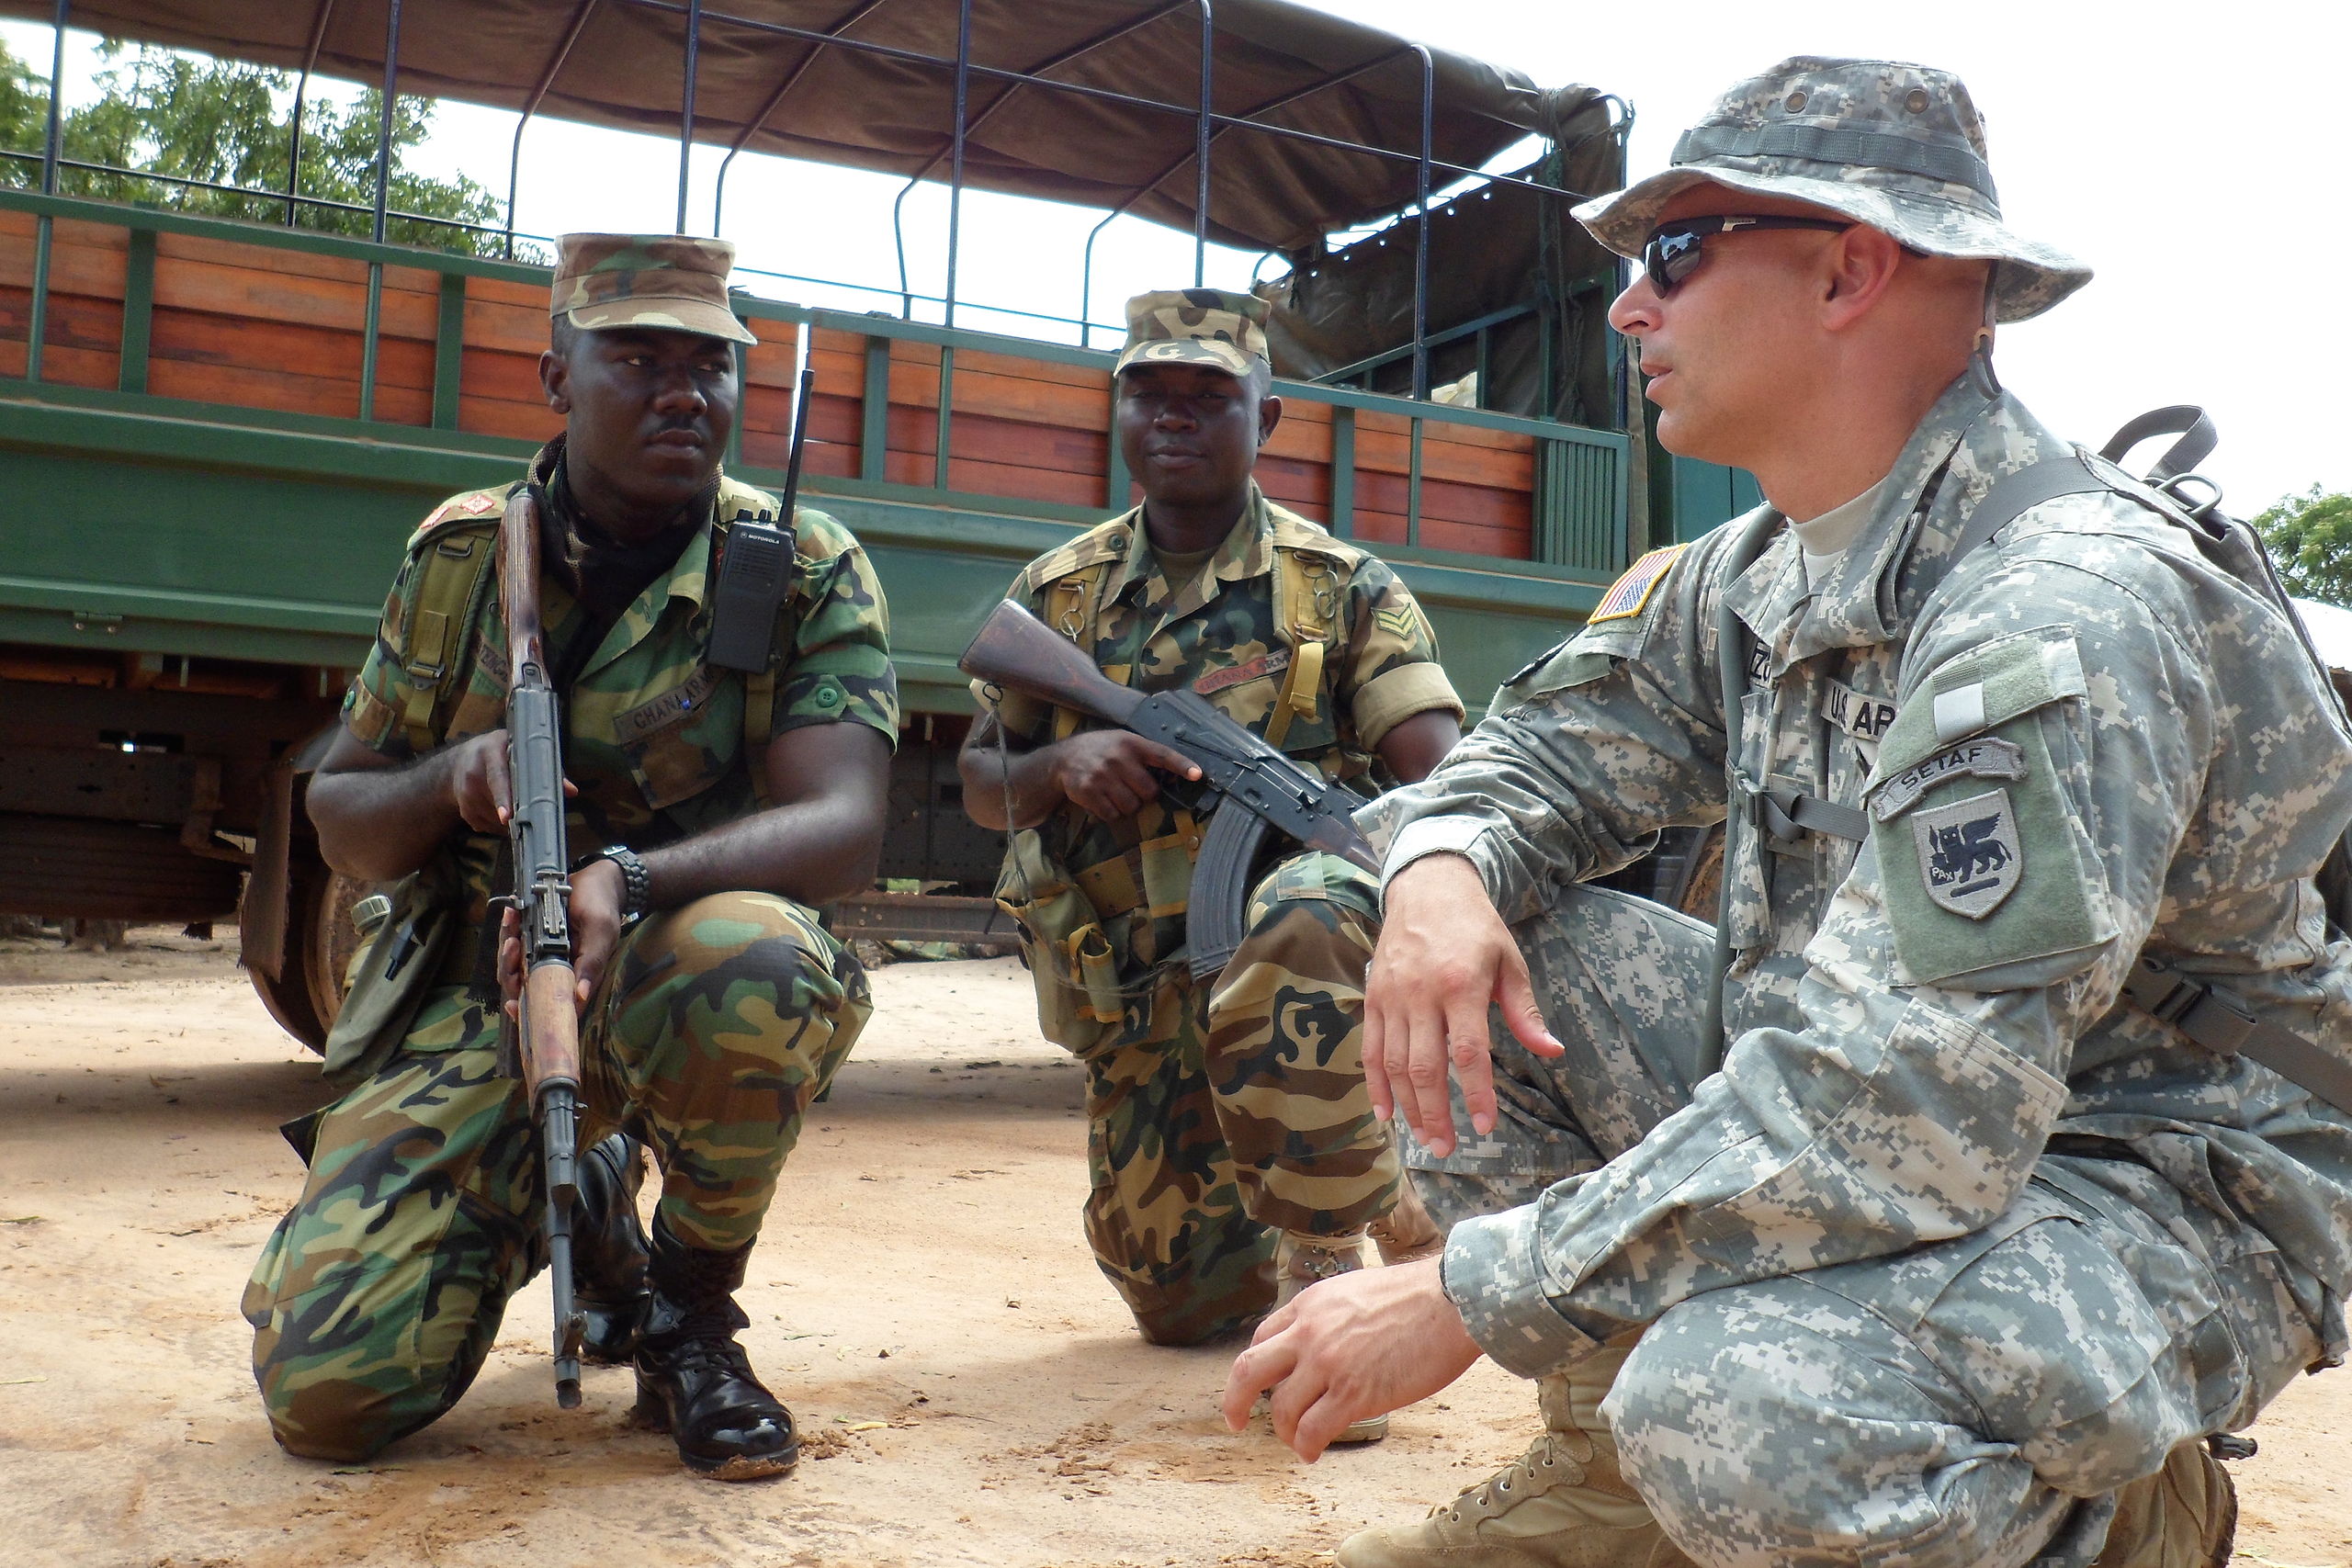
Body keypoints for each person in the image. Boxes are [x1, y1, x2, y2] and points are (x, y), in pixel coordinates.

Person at [1222, 57, 2352, 1568]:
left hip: (2157, 1172)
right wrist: (1436, 864)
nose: (1629, 309)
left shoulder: (2056, 611)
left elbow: (1913, 1106)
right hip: (1923, 1109)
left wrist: (1469, 1290)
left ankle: (2123, 1517)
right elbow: (1534, 761)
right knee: (1473, 955)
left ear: (1847, 273)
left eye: (1674, 254)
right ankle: (1617, 1480)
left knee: (1745, 1403)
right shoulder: (1765, 566)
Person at [242, 234, 899, 1482]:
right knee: (331, 1397)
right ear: (557, 376)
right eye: (638, 360)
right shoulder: (460, 560)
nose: (682, 393)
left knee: (753, 960)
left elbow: (846, 823)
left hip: (668, 968)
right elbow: (341, 811)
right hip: (475, 996)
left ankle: (689, 1320)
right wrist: (454, 776)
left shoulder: (802, 566)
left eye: (710, 365)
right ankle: (592, 1198)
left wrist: (628, 880)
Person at [959, 289, 1464, 1437]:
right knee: (1177, 1304)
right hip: (1145, 1004)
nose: (1174, 417)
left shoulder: (1339, 588)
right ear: (1118, 413)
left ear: (1266, 417)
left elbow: (1442, 782)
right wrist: (1066, 762)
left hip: (1301, 987)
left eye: (1208, 397)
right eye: (1149, 394)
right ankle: (1381, 1186)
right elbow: (984, 785)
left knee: (1310, 902)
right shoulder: (1062, 594)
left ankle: (1326, 1259)